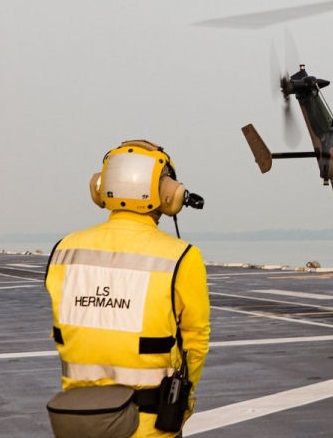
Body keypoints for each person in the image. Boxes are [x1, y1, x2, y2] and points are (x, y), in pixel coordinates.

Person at [45, 140, 210, 438]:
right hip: (148, 424)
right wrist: (180, 404)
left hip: (76, 420)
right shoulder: (182, 257)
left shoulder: (63, 251)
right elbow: (195, 344)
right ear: (168, 194)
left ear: (100, 187)